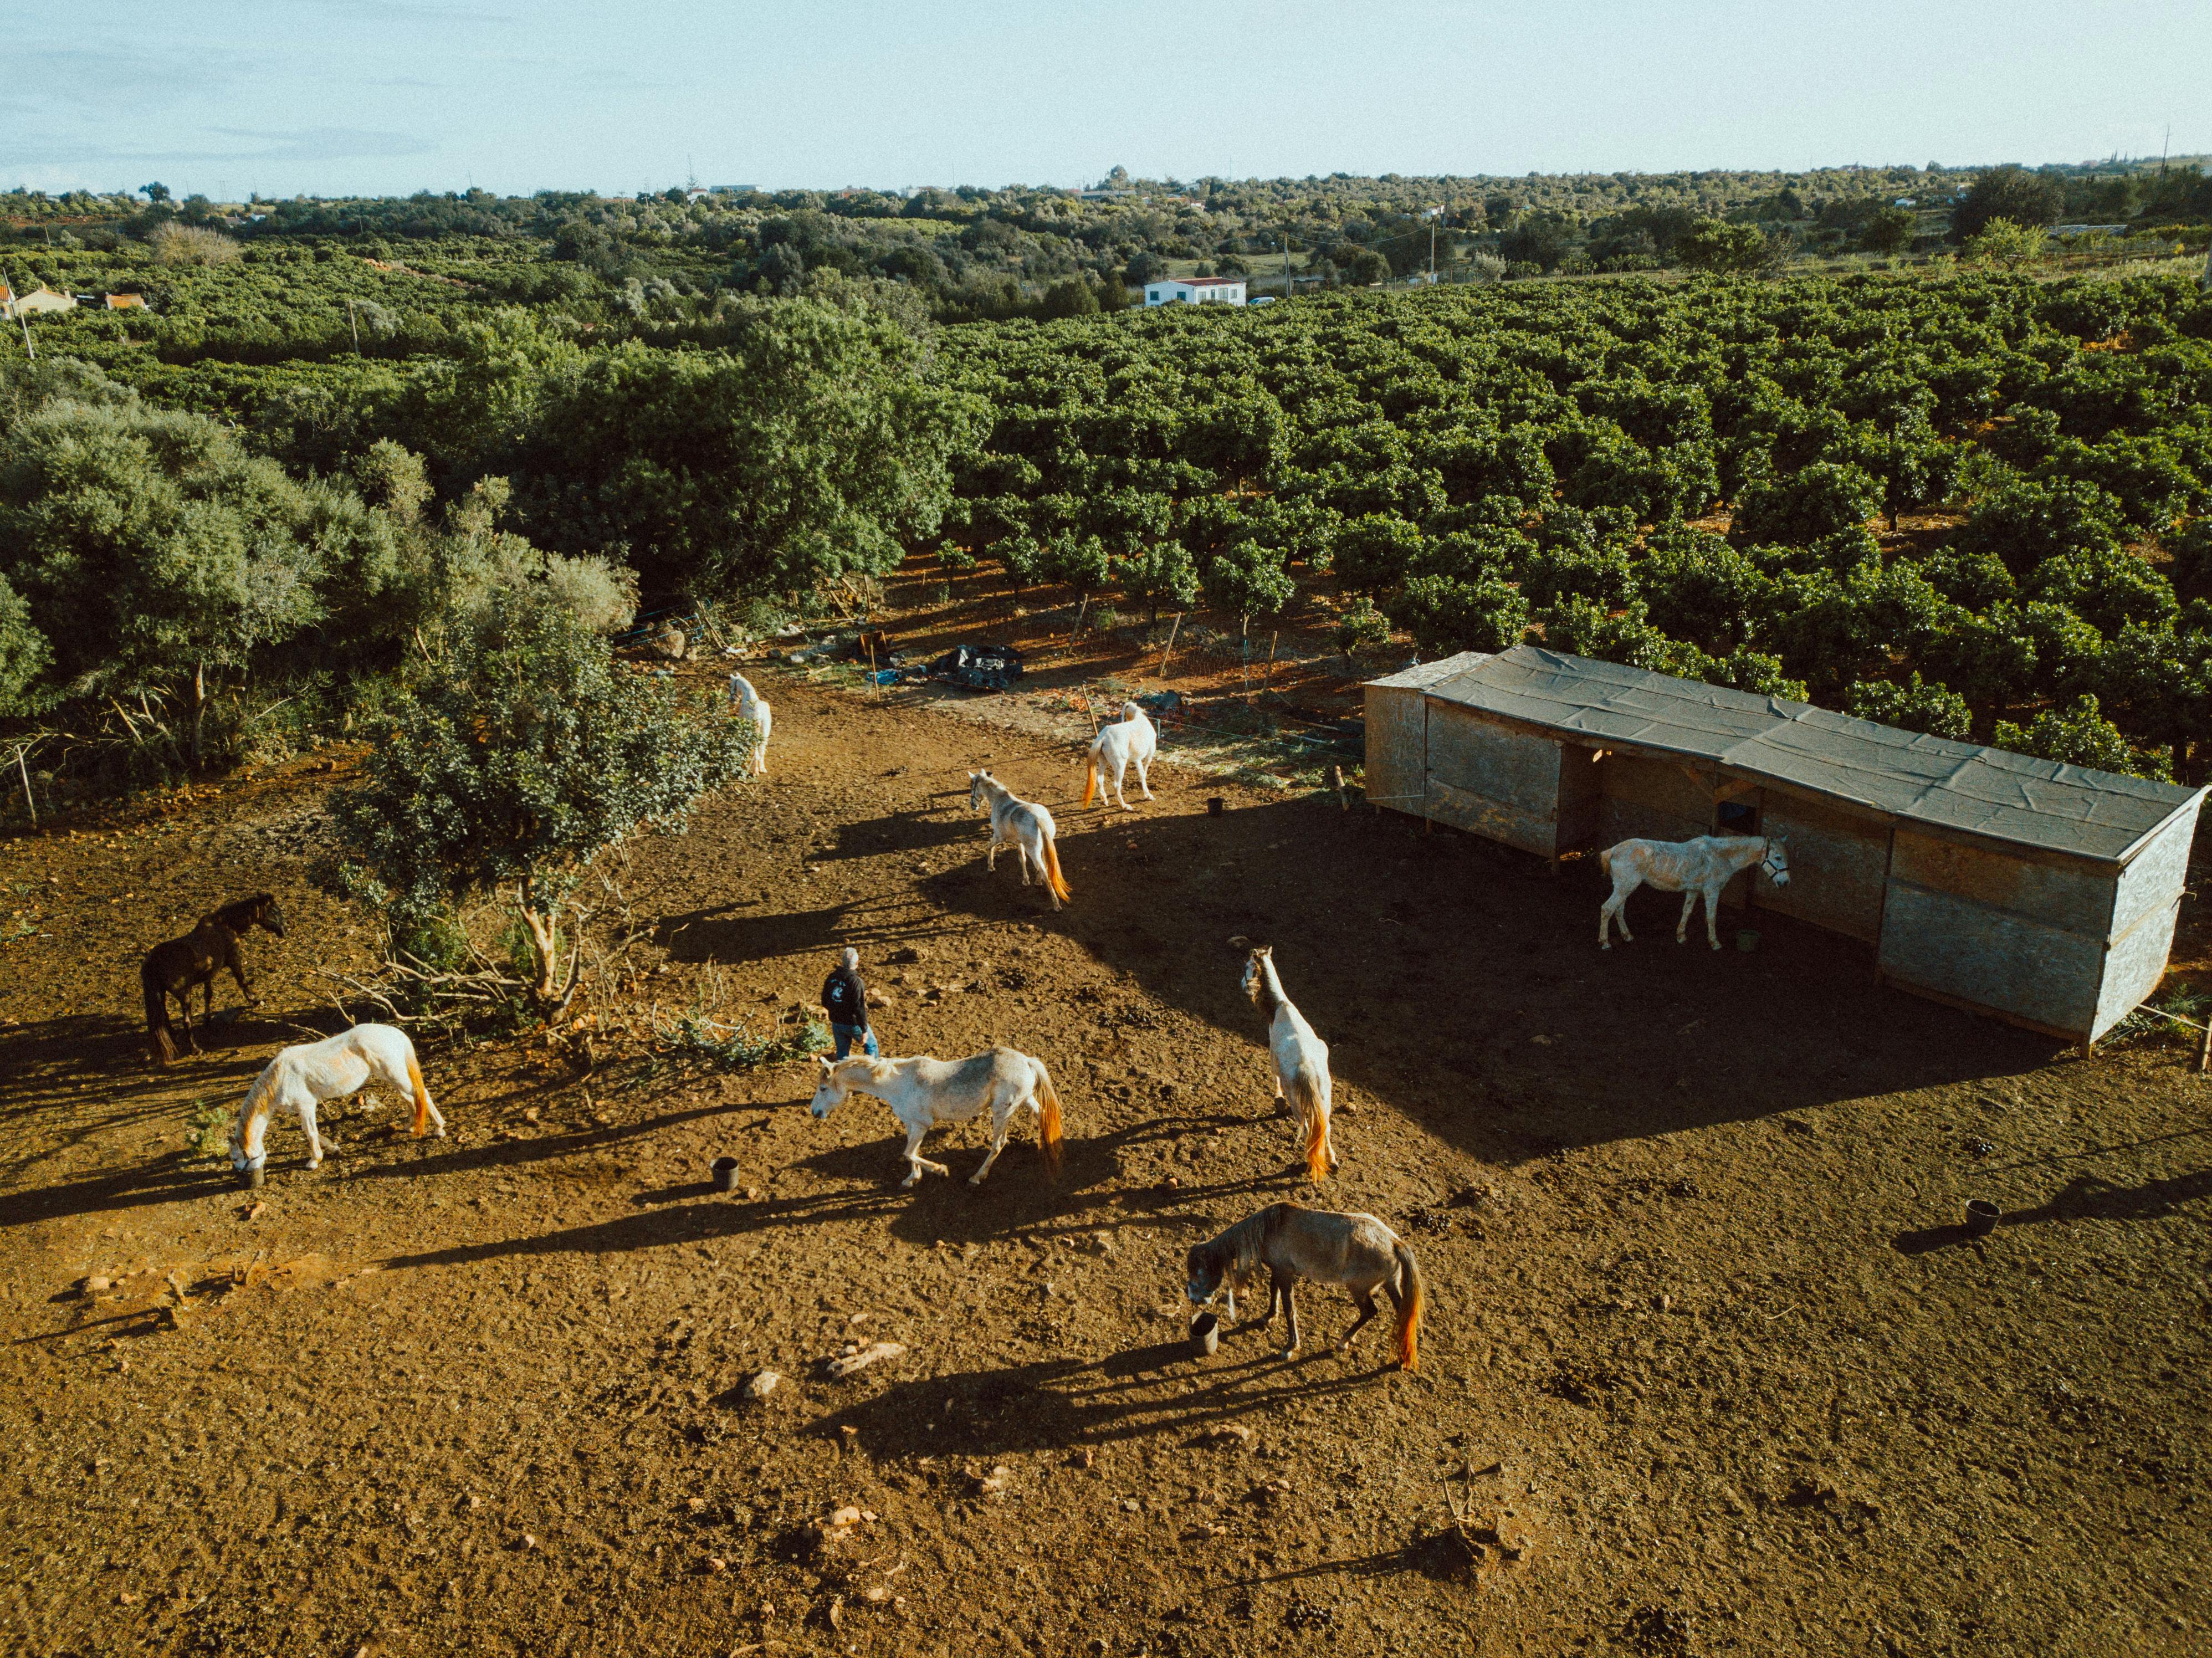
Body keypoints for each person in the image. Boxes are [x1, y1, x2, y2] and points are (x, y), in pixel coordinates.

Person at [820, 947, 879, 1059]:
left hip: (836, 1023)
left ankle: (842, 1075)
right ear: (857, 963)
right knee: (871, 1045)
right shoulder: (856, 982)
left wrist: (836, 1011)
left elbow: (825, 1001)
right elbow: (859, 1008)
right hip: (852, 1023)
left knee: (842, 1053)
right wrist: (864, 1030)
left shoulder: (832, 977)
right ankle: (873, 1072)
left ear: (843, 962)